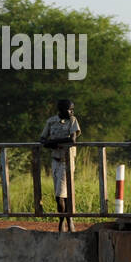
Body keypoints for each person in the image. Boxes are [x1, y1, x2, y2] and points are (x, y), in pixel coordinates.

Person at [39, 99, 82, 232]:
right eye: (69, 109)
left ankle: (64, 220)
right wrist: (51, 143)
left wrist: (54, 142)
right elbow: (42, 139)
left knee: (60, 194)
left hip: (67, 161)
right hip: (55, 160)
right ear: (62, 110)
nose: (72, 111)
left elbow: (72, 139)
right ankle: (67, 219)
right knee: (62, 194)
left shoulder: (72, 120)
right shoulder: (51, 121)